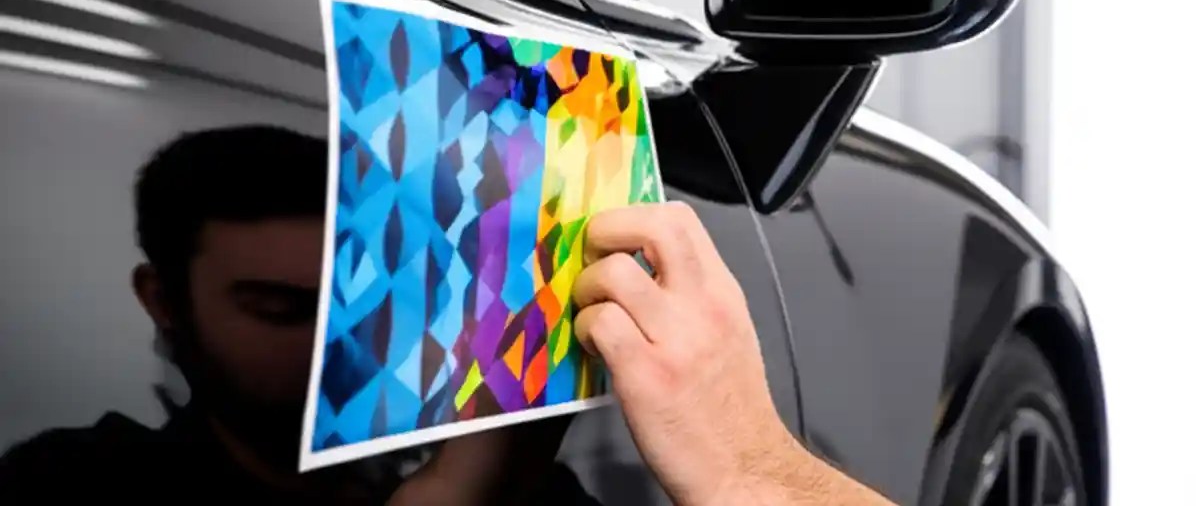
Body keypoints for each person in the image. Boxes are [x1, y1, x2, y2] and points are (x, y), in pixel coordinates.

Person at [0, 125, 894, 505]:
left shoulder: (521, 484)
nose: (334, 343)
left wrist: (751, 466)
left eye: (363, 301)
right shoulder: (75, 486)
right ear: (162, 300)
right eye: (277, 308)